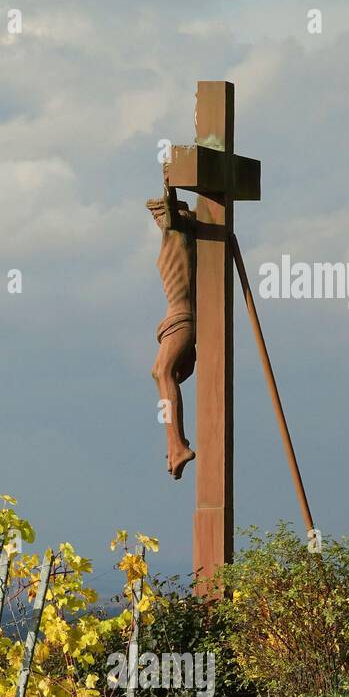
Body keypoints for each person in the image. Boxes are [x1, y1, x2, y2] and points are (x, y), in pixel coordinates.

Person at [147, 180, 197, 479]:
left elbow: (171, 207)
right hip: (175, 321)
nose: (156, 221)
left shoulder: (176, 233)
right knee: (163, 374)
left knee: (161, 373)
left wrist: (170, 183)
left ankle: (177, 444)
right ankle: (175, 441)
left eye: (157, 214)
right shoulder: (184, 241)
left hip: (181, 319)